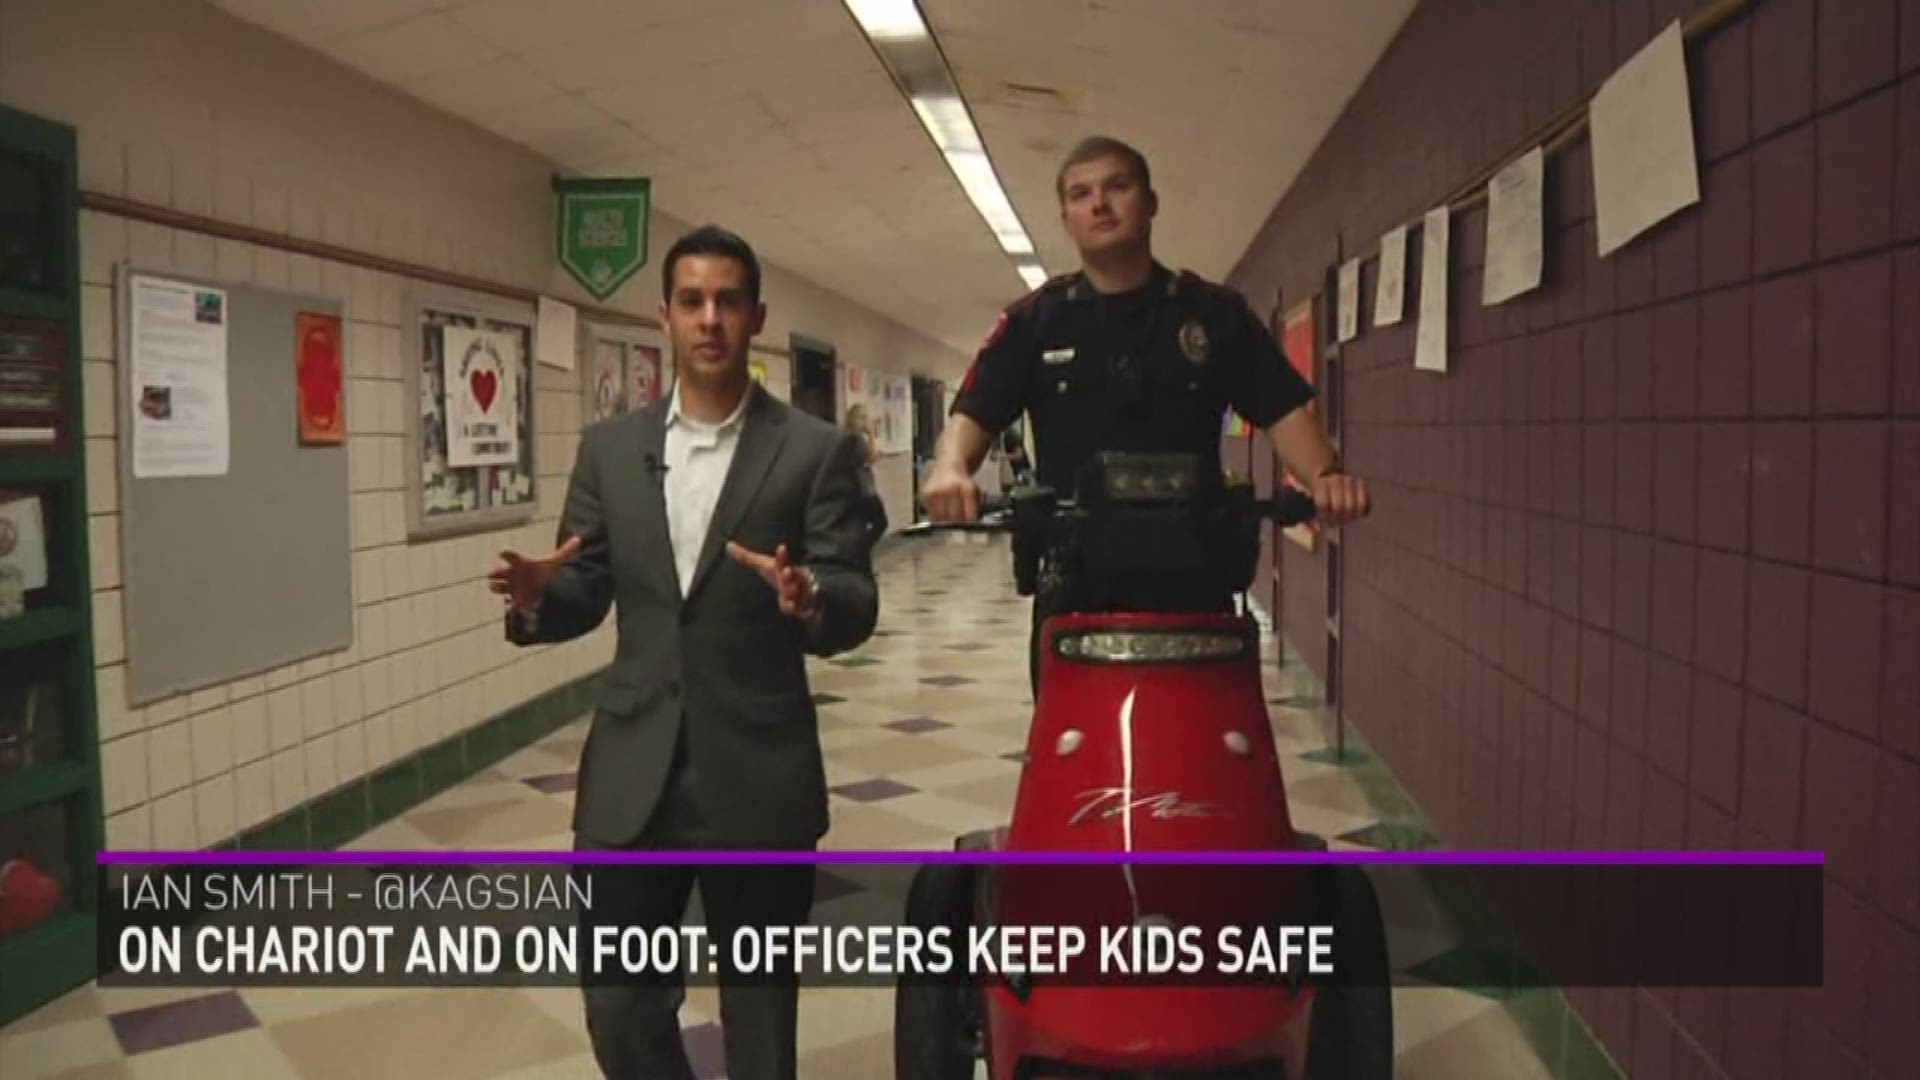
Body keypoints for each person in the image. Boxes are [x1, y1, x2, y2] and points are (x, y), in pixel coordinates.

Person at [489, 225, 878, 1080]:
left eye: (728, 301)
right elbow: (585, 588)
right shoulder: (612, 451)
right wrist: (537, 599)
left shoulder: (814, 452)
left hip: (759, 770)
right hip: (635, 774)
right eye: (693, 301)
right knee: (620, 1011)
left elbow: (855, 598)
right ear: (663, 315)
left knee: (761, 1025)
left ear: (757, 316)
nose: (710, 319)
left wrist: (810, 597)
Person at [921, 136, 1370, 686]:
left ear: (1150, 202)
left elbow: (1281, 410)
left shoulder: (1212, 314)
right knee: (1073, 751)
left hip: (1195, 577)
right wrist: (950, 469)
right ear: (1066, 217)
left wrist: (1325, 477)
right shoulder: (1036, 323)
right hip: (1078, 584)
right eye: (1081, 194)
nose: (1100, 204)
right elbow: (973, 415)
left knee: (1204, 747)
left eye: (1117, 186)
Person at [844, 403, 889, 544]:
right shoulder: (857, 438)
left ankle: (858, 551)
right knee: (880, 523)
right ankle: (860, 550)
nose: (866, 422)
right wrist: (871, 434)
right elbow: (871, 457)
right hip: (865, 490)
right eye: (863, 418)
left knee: (861, 525)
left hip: (854, 489)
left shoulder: (845, 437)